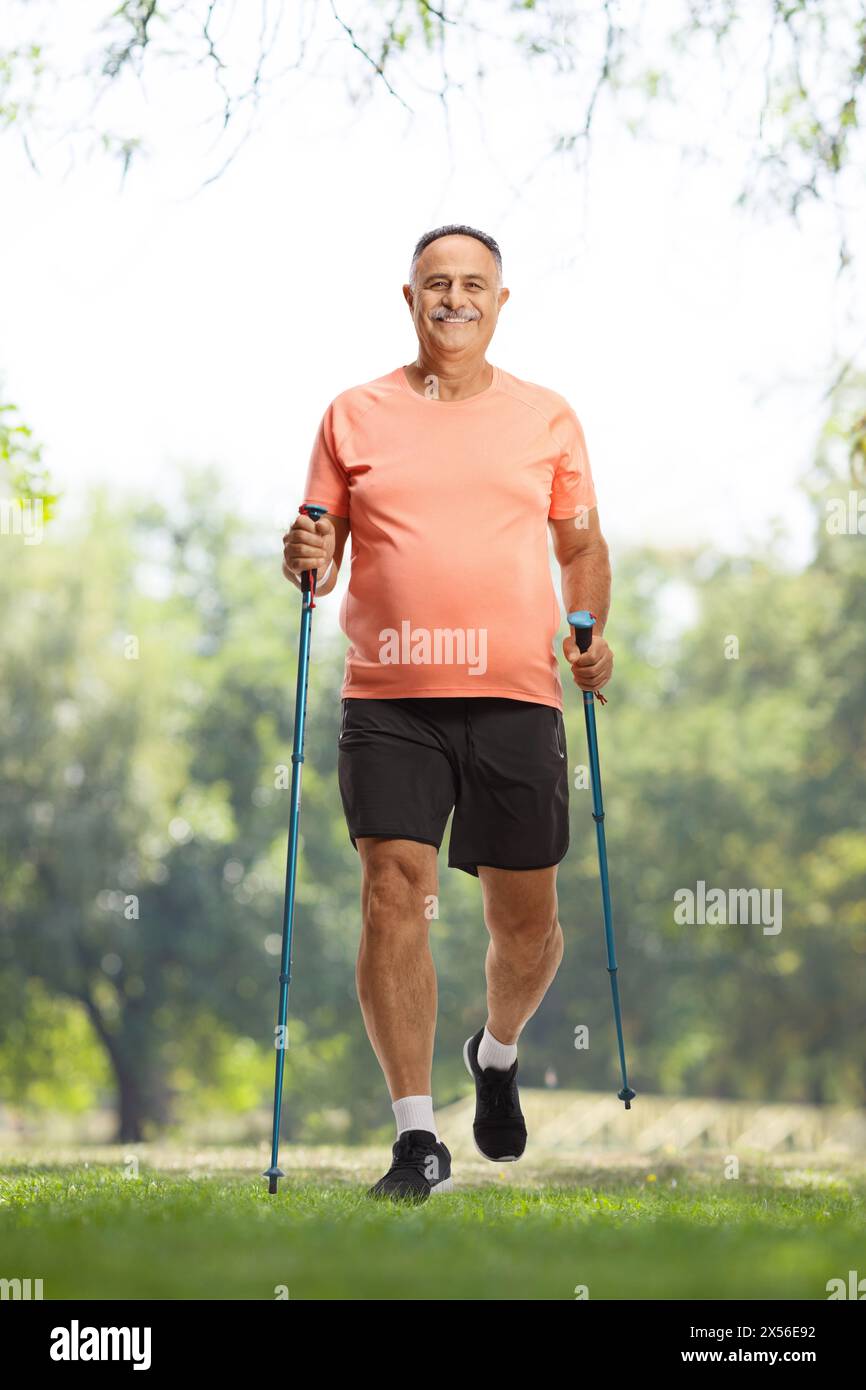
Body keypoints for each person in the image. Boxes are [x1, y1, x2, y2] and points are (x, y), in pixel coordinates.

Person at [282, 224, 613, 1201]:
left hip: (514, 697)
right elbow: (318, 544)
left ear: (500, 301)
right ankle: (416, 1137)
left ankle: (497, 1050)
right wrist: (302, 559)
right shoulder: (353, 413)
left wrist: (588, 629)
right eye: (437, 283)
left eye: (473, 284)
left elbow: (581, 548)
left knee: (524, 925)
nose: (454, 297)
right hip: (389, 697)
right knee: (393, 888)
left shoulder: (546, 417)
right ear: (410, 297)